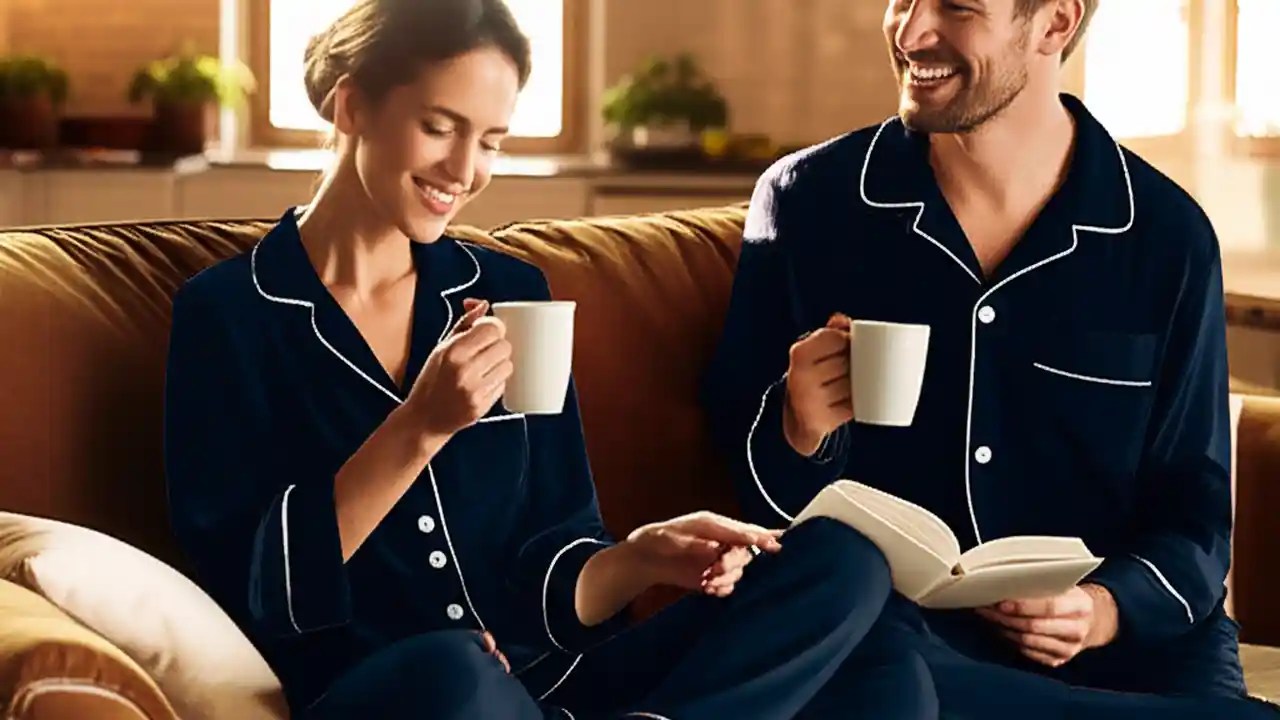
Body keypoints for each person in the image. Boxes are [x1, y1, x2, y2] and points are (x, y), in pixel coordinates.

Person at [162, 1, 940, 718]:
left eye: (491, 141)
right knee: (455, 670)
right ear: (353, 104)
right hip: (410, 693)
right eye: (440, 125)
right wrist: (418, 430)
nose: (464, 171)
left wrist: (638, 561)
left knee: (845, 567)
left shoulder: (510, 293)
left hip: (560, 690)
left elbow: (551, 563)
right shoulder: (230, 315)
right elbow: (256, 589)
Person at [703, 0, 1280, 717]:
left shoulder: (1167, 238)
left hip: (1136, 647)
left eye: (955, 7)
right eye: (902, 1)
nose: (910, 32)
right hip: (907, 635)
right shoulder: (807, 205)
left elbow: (1194, 515)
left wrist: (1101, 609)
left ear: (1055, 23)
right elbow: (747, 507)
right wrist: (799, 431)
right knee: (879, 667)